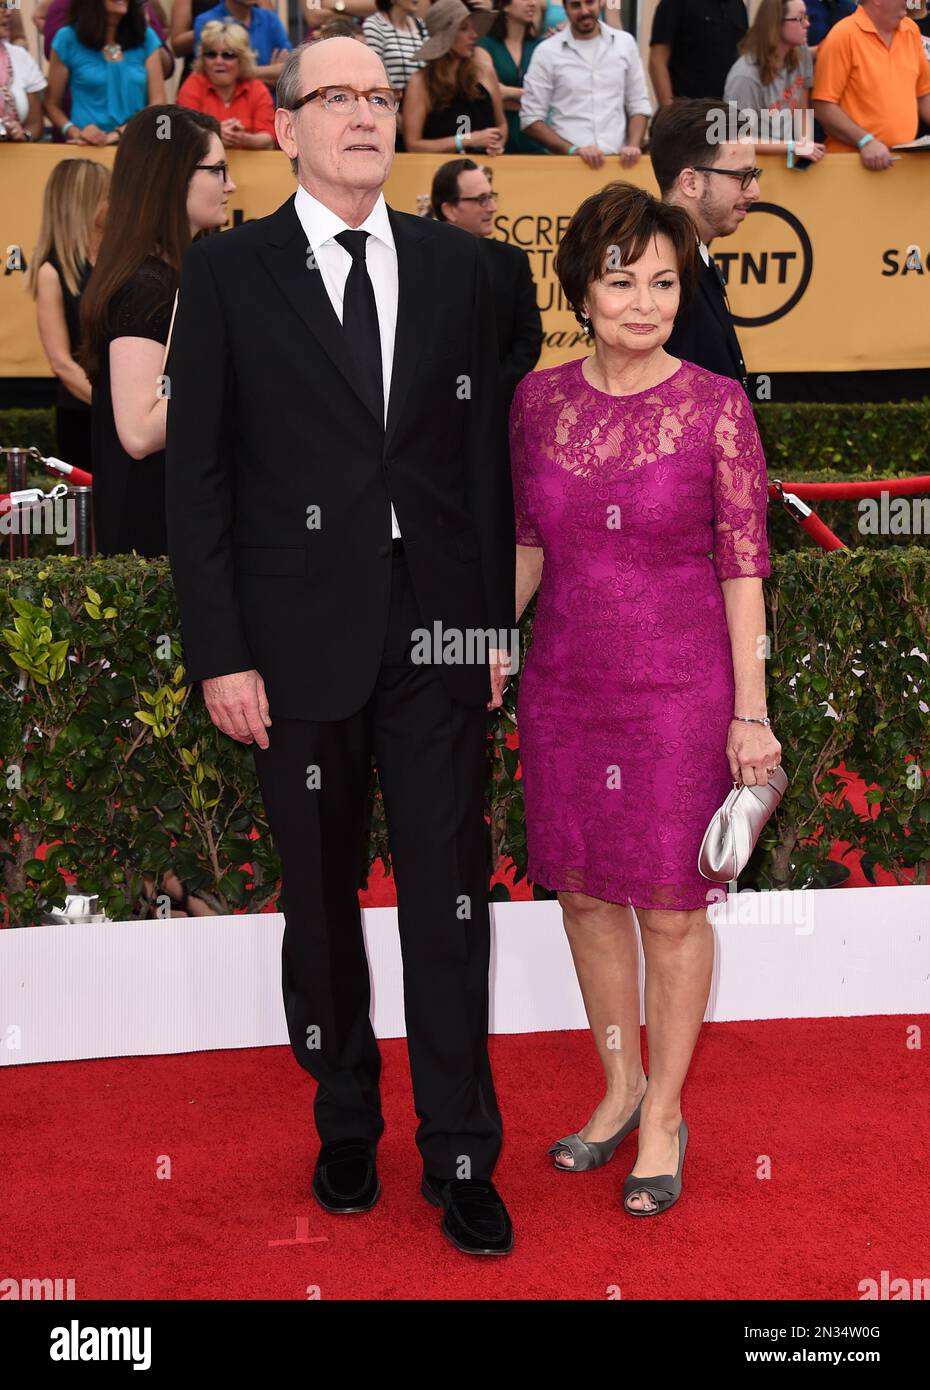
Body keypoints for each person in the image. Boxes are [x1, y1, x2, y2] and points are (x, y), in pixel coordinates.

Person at [164, 36, 517, 1257]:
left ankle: (463, 1148)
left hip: (434, 638)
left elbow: (478, 471)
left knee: (449, 896)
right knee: (318, 905)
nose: (364, 115)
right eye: (337, 98)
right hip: (291, 644)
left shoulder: (459, 268)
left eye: (379, 95)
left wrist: (484, 628)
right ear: (284, 125)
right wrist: (220, 652)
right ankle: (347, 1117)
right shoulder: (224, 276)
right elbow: (197, 481)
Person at [510, 180, 779, 1214]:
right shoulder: (536, 403)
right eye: (622, 281)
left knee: (671, 906)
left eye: (664, 282)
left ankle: (665, 1108)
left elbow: (743, 568)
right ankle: (617, 1085)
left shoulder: (716, 407)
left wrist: (747, 713)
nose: (644, 301)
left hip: (679, 692)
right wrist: (489, 640)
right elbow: (527, 546)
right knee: (583, 891)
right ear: (582, 287)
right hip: (567, 683)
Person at [79, 105, 234, 557]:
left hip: (173, 528)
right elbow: (140, 431)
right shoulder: (147, 286)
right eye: (218, 170)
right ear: (172, 177)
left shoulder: (166, 276)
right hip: (152, 543)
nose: (230, 185)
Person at [650, 97, 759, 390]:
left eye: (755, 175)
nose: (755, 191)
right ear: (690, 182)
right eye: (743, 176)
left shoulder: (689, 259)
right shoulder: (660, 275)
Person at [430, 157, 542, 413]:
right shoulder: (414, 261)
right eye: (481, 199)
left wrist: (491, 390)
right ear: (450, 209)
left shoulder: (512, 261)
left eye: (492, 196)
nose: (492, 207)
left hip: (494, 411)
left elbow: (528, 338)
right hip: (430, 410)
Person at [27, 159, 110, 476]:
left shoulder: (120, 259)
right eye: (107, 196)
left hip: (128, 409)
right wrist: (114, 406)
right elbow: (61, 362)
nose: (116, 204)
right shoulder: (51, 271)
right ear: (83, 204)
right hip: (83, 415)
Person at [519, 0, 652, 166]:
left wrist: (633, 145)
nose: (584, 11)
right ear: (565, 8)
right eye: (575, 5)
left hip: (619, 163)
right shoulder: (546, 52)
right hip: (565, 164)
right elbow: (530, 118)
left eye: (590, 2)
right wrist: (572, 150)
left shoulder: (625, 44)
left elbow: (639, 103)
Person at [812, 0, 930, 164]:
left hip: (902, 165)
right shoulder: (843, 35)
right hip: (851, 166)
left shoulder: (911, 30)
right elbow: (823, 105)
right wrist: (865, 141)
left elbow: (924, 95)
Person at [46, 0, 166, 144]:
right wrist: (75, 132)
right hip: (87, 147)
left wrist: (117, 134)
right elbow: (50, 104)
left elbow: (159, 104)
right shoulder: (67, 38)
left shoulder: (146, 37)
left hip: (135, 147)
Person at [723, 0, 824, 161]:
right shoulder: (745, 76)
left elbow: (802, 110)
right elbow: (735, 138)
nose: (807, 23)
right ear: (776, 24)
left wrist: (804, 142)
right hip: (752, 165)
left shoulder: (801, 53)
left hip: (786, 160)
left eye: (806, 16)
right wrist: (792, 146)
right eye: (799, 18)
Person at [403, 0, 507, 154]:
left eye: (473, 27)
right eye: (464, 29)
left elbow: (501, 125)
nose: (474, 35)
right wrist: (467, 140)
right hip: (438, 173)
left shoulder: (484, 72)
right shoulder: (420, 82)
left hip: (485, 171)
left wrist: (497, 143)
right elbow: (413, 145)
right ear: (445, 37)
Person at [178, 19, 277, 147]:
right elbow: (184, 133)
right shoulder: (193, 85)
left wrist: (244, 139)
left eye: (228, 55)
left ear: (242, 60)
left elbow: (269, 136)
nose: (218, 61)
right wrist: (215, 133)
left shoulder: (256, 89)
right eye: (211, 54)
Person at [477, 0, 546, 152]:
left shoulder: (541, 46)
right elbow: (488, 93)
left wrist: (507, 93)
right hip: (496, 134)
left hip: (535, 136)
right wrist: (528, 97)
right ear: (504, 5)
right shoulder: (485, 44)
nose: (532, 3)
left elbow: (548, 97)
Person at [649, 0, 748, 105]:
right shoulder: (674, 3)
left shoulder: (738, 6)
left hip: (726, 112)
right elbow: (657, 61)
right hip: (687, 112)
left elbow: (743, 55)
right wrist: (670, 112)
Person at [361, 0, 428, 151]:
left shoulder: (420, 26)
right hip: (391, 111)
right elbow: (372, 79)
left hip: (420, 114)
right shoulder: (374, 25)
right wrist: (395, 118)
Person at [193, 0, 291, 90]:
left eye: (228, 55)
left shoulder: (271, 19)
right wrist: (271, 75)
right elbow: (208, 74)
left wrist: (240, 72)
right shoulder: (206, 22)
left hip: (270, 105)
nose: (220, 61)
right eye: (228, 55)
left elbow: (289, 72)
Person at [0, 0, 47, 140]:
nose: (8, 12)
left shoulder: (20, 57)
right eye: (1, 6)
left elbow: (36, 124)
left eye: (8, 6)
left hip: (17, 157)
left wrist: (24, 135)